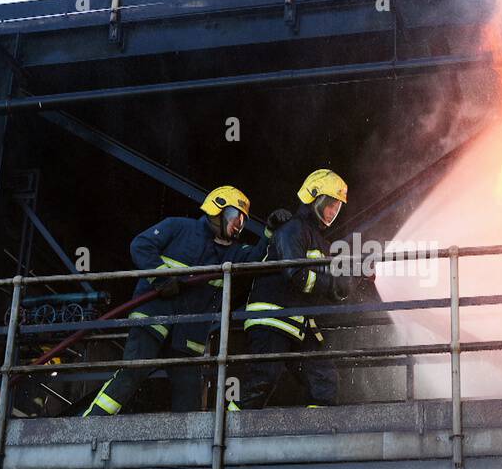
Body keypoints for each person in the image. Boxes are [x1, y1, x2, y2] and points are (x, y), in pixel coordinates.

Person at [81, 186, 291, 417]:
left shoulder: (233, 252)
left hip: (188, 335)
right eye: (234, 217)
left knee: (189, 392)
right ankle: (90, 425)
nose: (237, 225)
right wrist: (161, 277)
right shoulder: (178, 227)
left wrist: (270, 232)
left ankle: (189, 448)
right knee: (132, 373)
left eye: (242, 221)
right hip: (153, 318)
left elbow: (255, 261)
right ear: (216, 210)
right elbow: (140, 245)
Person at [232, 169, 353, 410]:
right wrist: (331, 284)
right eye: (329, 204)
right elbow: (295, 274)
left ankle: (315, 440)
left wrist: (346, 282)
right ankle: (232, 436)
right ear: (313, 198)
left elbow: (323, 284)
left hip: (298, 322)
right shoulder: (292, 229)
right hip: (271, 318)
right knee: (263, 379)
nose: (332, 211)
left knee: (324, 383)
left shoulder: (321, 242)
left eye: (337, 207)